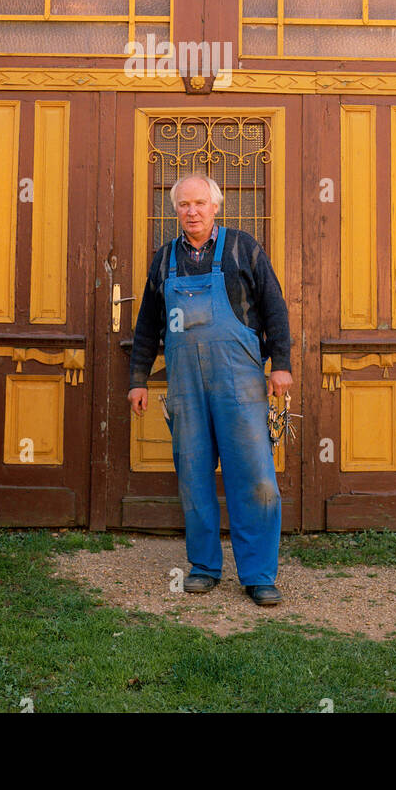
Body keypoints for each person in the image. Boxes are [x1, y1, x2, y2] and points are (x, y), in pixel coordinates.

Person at [127, 174, 293, 605]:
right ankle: (203, 566)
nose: (192, 211)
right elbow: (148, 324)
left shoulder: (243, 248)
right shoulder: (164, 260)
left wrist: (282, 366)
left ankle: (259, 574)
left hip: (239, 383)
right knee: (194, 476)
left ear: (216, 206)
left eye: (200, 203)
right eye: (184, 204)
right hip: (185, 386)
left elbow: (275, 309)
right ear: (176, 210)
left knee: (254, 475)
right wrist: (138, 380)